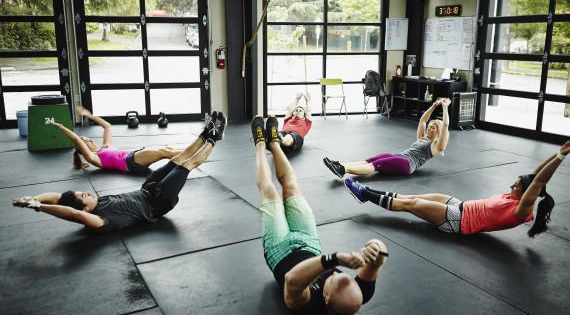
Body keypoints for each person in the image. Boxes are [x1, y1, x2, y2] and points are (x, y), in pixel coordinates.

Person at [252, 115, 388, 314]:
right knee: (291, 188)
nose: (333, 274)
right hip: (309, 243)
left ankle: (259, 143)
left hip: (279, 251)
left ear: (326, 298)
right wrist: (376, 251)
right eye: (345, 275)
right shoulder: (358, 294)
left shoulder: (309, 303)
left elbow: (292, 281)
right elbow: (379, 258)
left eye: (332, 277)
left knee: (269, 191)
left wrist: (334, 259)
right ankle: (274, 143)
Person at [12, 112, 227, 233]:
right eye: (83, 197)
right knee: (186, 165)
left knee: (176, 158)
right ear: (86, 208)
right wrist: (41, 208)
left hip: (147, 189)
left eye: (81, 192)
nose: (86, 192)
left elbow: (59, 197)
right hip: (157, 204)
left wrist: (33, 200)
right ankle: (214, 138)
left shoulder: (96, 201)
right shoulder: (100, 220)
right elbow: (74, 214)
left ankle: (205, 132)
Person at [343, 141, 569, 237]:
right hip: (459, 205)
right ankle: (366, 194)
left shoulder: (521, 210)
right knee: (410, 196)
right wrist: (561, 149)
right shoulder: (516, 195)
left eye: (517, 186)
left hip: (457, 222)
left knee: (409, 205)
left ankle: (364, 193)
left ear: (526, 195)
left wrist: (561, 157)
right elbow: (536, 177)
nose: (512, 186)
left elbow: (538, 183)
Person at [324, 98, 451, 178]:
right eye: (429, 126)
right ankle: (338, 164)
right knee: (369, 160)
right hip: (399, 156)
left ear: (438, 132)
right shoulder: (422, 138)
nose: (429, 128)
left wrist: (445, 107)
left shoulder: (435, 146)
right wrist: (434, 105)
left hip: (407, 164)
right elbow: (423, 121)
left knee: (374, 165)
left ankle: (343, 170)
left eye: (433, 127)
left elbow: (445, 125)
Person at [49, 106, 191, 174]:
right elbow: (75, 138)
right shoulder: (94, 158)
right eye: (85, 140)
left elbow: (107, 126)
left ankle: (195, 149)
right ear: (83, 147)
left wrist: (89, 115)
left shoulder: (104, 147)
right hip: (130, 162)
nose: (89, 139)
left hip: (135, 154)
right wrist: (60, 126)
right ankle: (193, 153)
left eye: (87, 138)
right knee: (163, 151)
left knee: (167, 148)